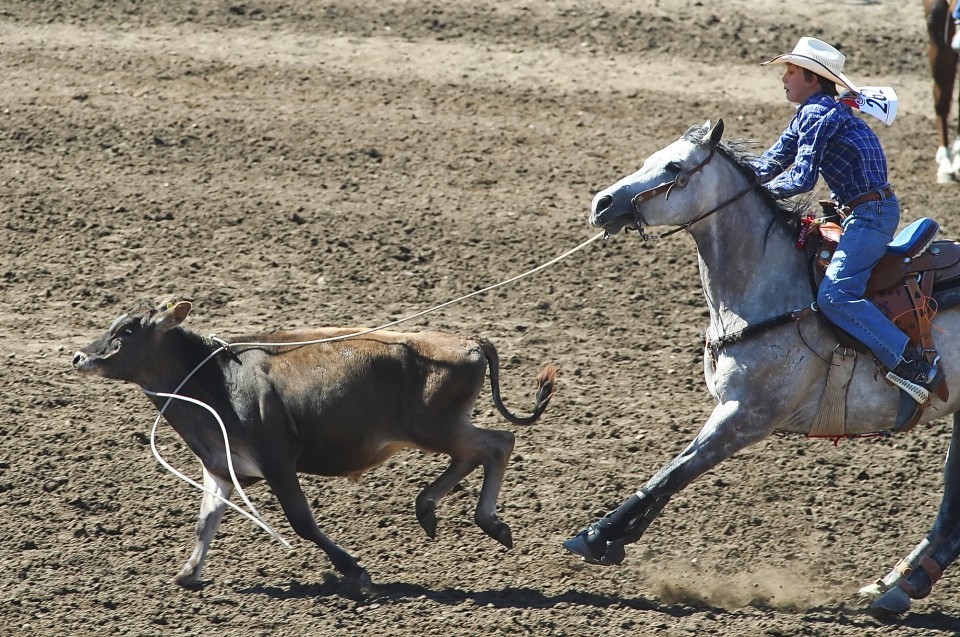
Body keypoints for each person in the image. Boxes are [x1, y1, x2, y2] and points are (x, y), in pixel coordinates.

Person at [562, 36, 943, 568]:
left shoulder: (823, 114)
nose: (782, 78)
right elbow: (772, 164)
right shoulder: (810, 112)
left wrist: (743, 191)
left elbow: (800, 178)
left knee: (835, 294)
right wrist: (728, 181)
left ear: (811, 78)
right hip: (857, 212)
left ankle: (913, 363)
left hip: (870, 216)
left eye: (789, 71)